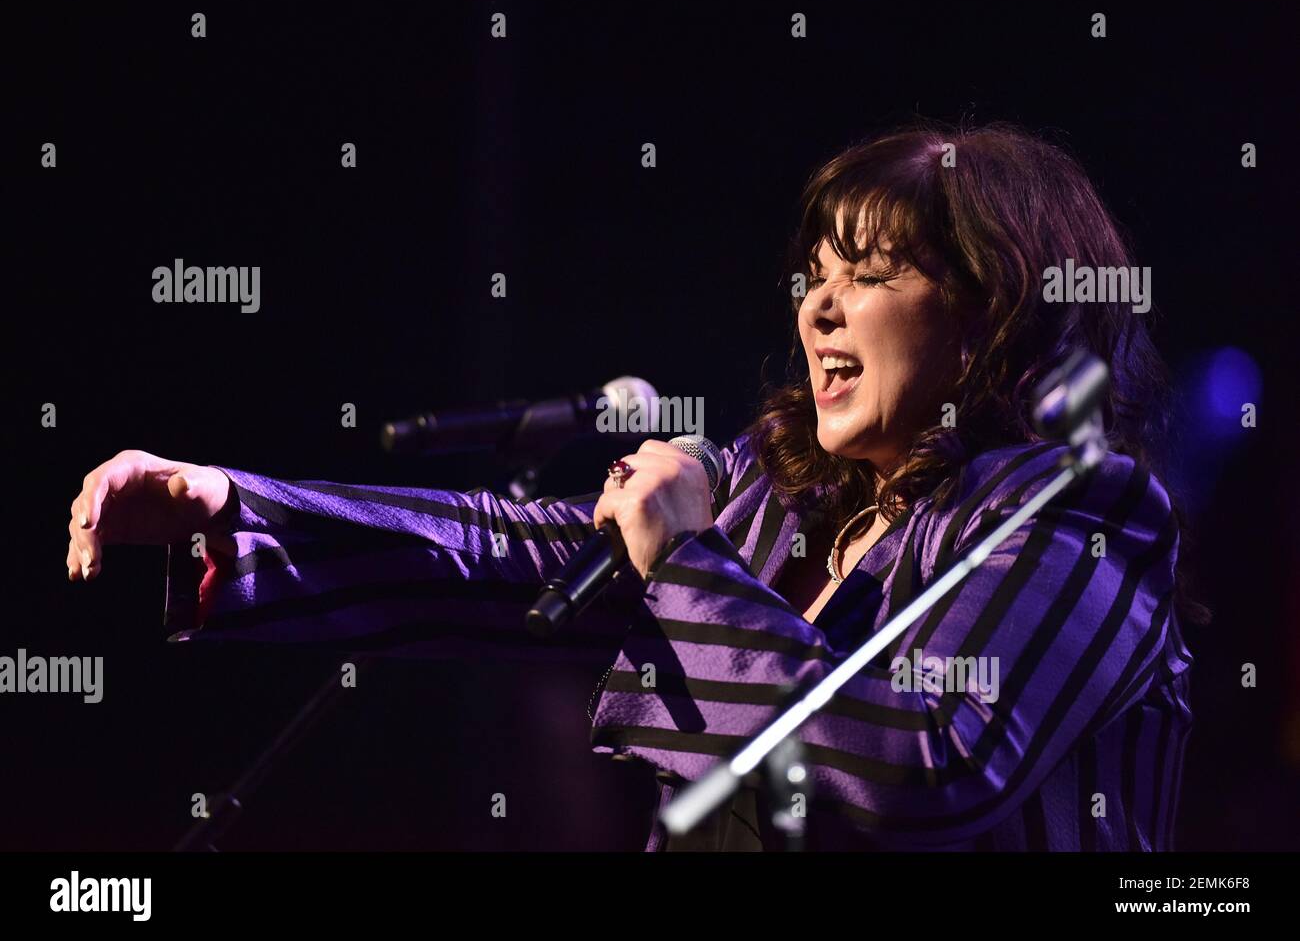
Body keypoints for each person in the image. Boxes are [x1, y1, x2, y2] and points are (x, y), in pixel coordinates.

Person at [64, 122, 1195, 851]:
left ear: (994, 314)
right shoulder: (782, 497)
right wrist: (235, 505)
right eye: (817, 275)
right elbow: (516, 554)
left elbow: (922, 768)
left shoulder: (1077, 516)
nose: (818, 308)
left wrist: (689, 563)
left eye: (874, 273)